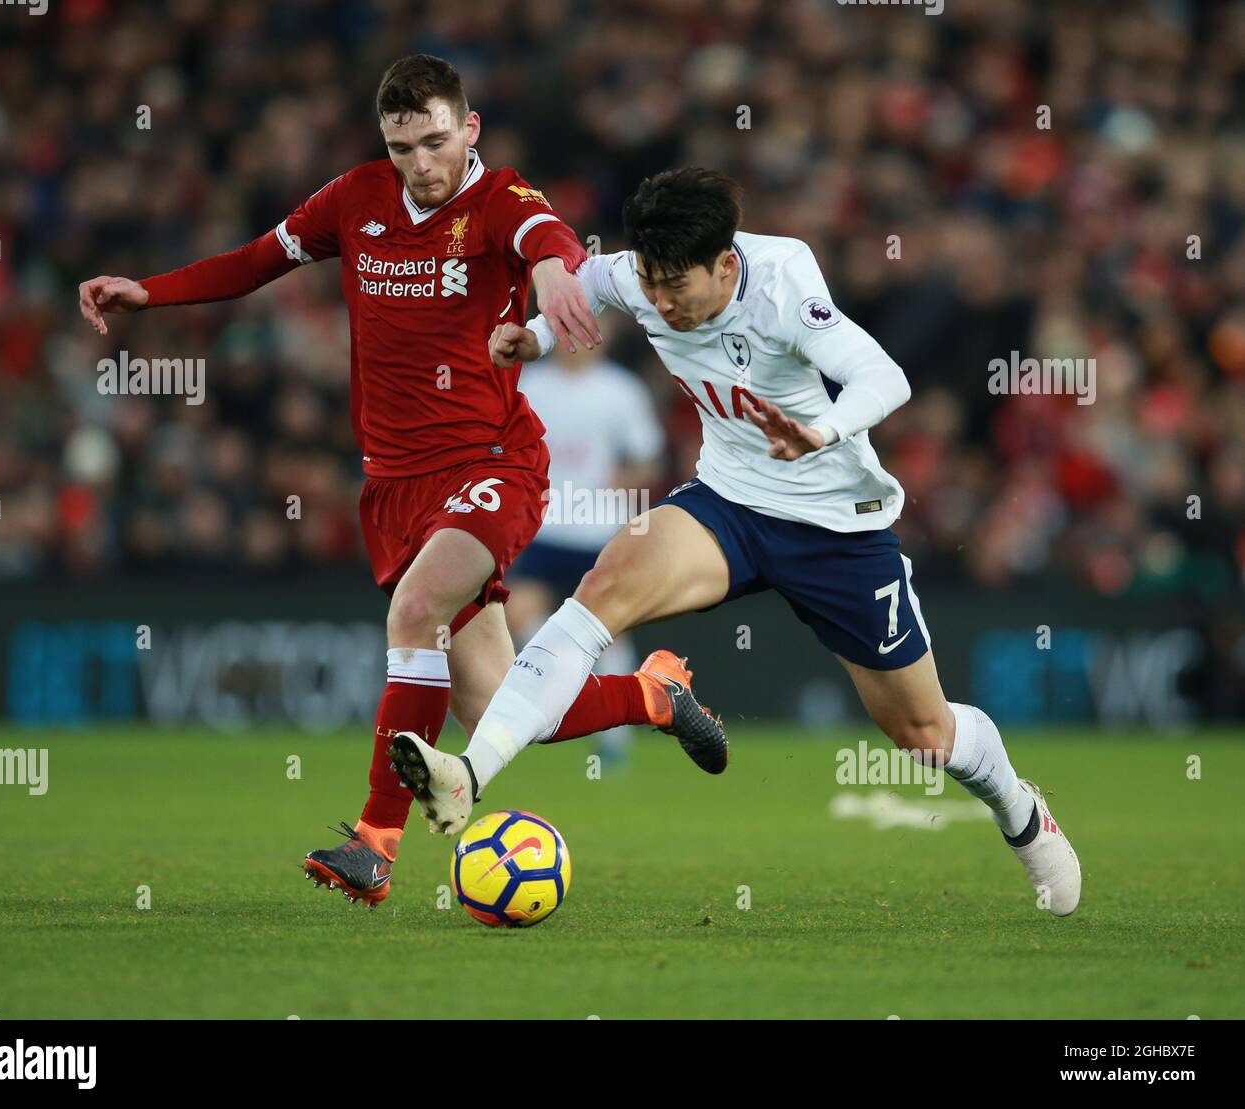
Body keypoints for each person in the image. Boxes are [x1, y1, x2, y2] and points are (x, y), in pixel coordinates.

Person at [77, 59, 726, 910]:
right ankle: (654, 692)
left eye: (434, 141)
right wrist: (147, 295)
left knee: (413, 613)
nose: (420, 162)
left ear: (470, 129)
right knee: (498, 703)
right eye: (401, 146)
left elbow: (549, 241)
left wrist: (558, 273)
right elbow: (252, 263)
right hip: (393, 485)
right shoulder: (354, 200)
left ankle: (374, 846)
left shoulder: (500, 203)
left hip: (492, 463)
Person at [388, 167, 1082, 917]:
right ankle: (470, 771)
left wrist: (821, 431)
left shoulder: (784, 283)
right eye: (650, 283)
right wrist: (540, 335)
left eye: (675, 288)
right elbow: (586, 287)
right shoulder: (639, 273)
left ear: (725, 265)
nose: (659, 302)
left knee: (923, 731)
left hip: (835, 527)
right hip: (729, 502)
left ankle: (1019, 808)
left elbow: (884, 376)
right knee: (602, 591)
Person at [506, 329, 666, 766]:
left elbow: (649, 460)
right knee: (520, 613)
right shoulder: (530, 385)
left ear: (603, 339)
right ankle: (557, 706)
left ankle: (615, 737)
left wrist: (620, 483)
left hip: (598, 530)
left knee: (608, 631)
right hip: (540, 526)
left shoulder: (622, 391)